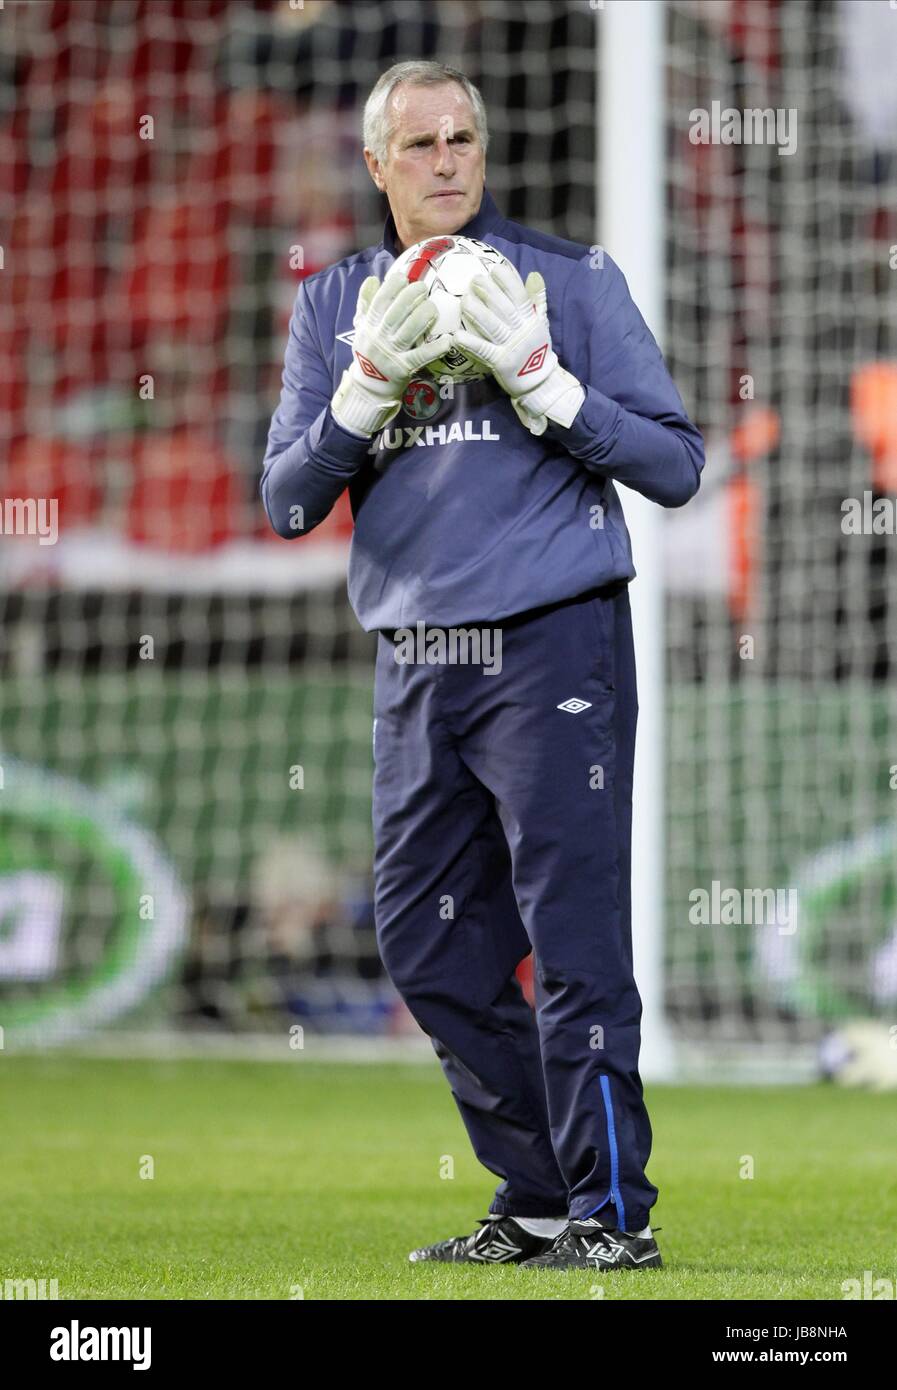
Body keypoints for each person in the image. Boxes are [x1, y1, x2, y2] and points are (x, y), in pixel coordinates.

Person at [260, 60, 704, 1271]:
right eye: (422, 145)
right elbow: (288, 503)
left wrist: (552, 389)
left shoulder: (572, 280)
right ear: (377, 165)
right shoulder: (335, 303)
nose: (449, 159)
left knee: (572, 940)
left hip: (553, 643)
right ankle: (542, 1190)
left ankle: (614, 1214)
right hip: (415, 657)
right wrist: (358, 396)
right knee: (423, 944)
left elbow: (675, 466)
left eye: (465, 137)